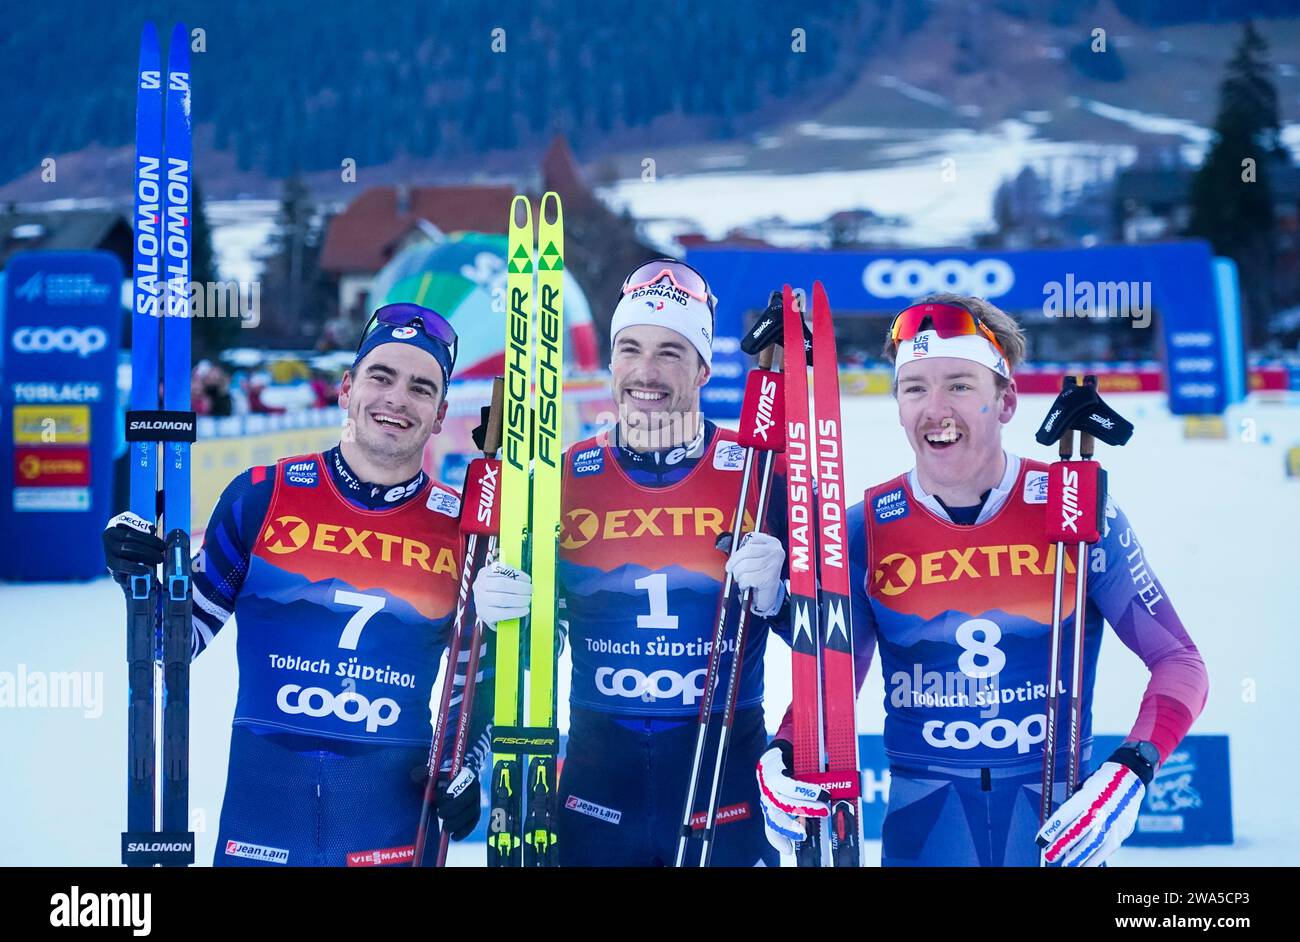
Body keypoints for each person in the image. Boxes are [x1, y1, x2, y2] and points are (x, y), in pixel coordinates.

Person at [757, 294, 1208, 867]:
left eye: (960, 385)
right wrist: (786, 748)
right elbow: (833, 680)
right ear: (897, 404)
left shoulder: (1075, 509)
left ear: (1006, 400)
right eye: (915, 387)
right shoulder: (863, 529)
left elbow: (1180, 662)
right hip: (925, 820)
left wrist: (1130, 771)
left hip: (1052, 815)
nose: (935, 408)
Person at [103, 303, 489, 866]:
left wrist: (468, 766)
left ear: (439, 413)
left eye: (420, 388)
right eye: (381, 377)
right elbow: (173, 646)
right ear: (347, 388)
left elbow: (485, 674)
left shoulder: (463, 531)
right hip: (259, 830)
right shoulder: (263, 496)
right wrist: (134, 576)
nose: (397, 399)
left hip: (391, 833)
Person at [474, 258, 789, 866]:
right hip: (597, 794)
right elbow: (538, 643)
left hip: (727, 789)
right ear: (610, 362)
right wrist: (503, 612)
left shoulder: (757, 476)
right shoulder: (561, 479)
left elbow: (824, 647)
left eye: (671, 352)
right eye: (631, 348)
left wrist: (778, 595)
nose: (647, 372)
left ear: (703, 368)